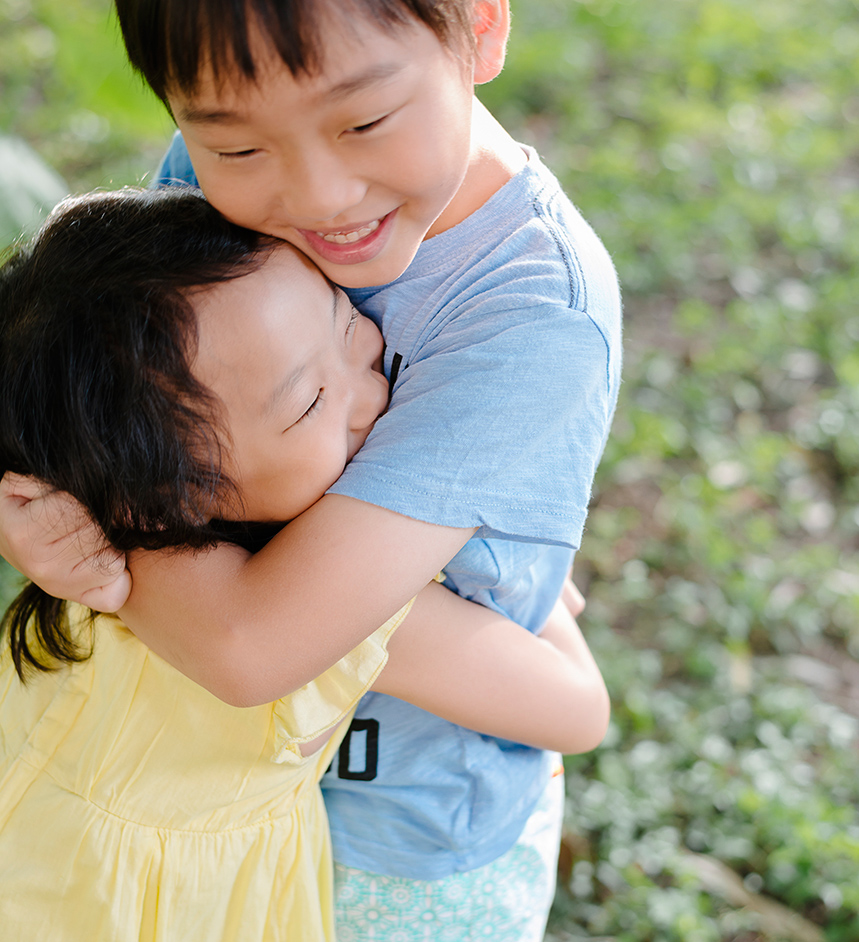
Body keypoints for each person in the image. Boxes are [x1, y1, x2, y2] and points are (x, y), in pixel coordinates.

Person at [0, 1, 623, 937]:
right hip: (209, 799)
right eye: (234, 147)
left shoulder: (531, 315)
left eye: (364, 122)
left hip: (396, 855)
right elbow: (105, 381)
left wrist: (96, 524)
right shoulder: (226, 190)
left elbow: (247, 643)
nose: (318, 196)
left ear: (481, 28)